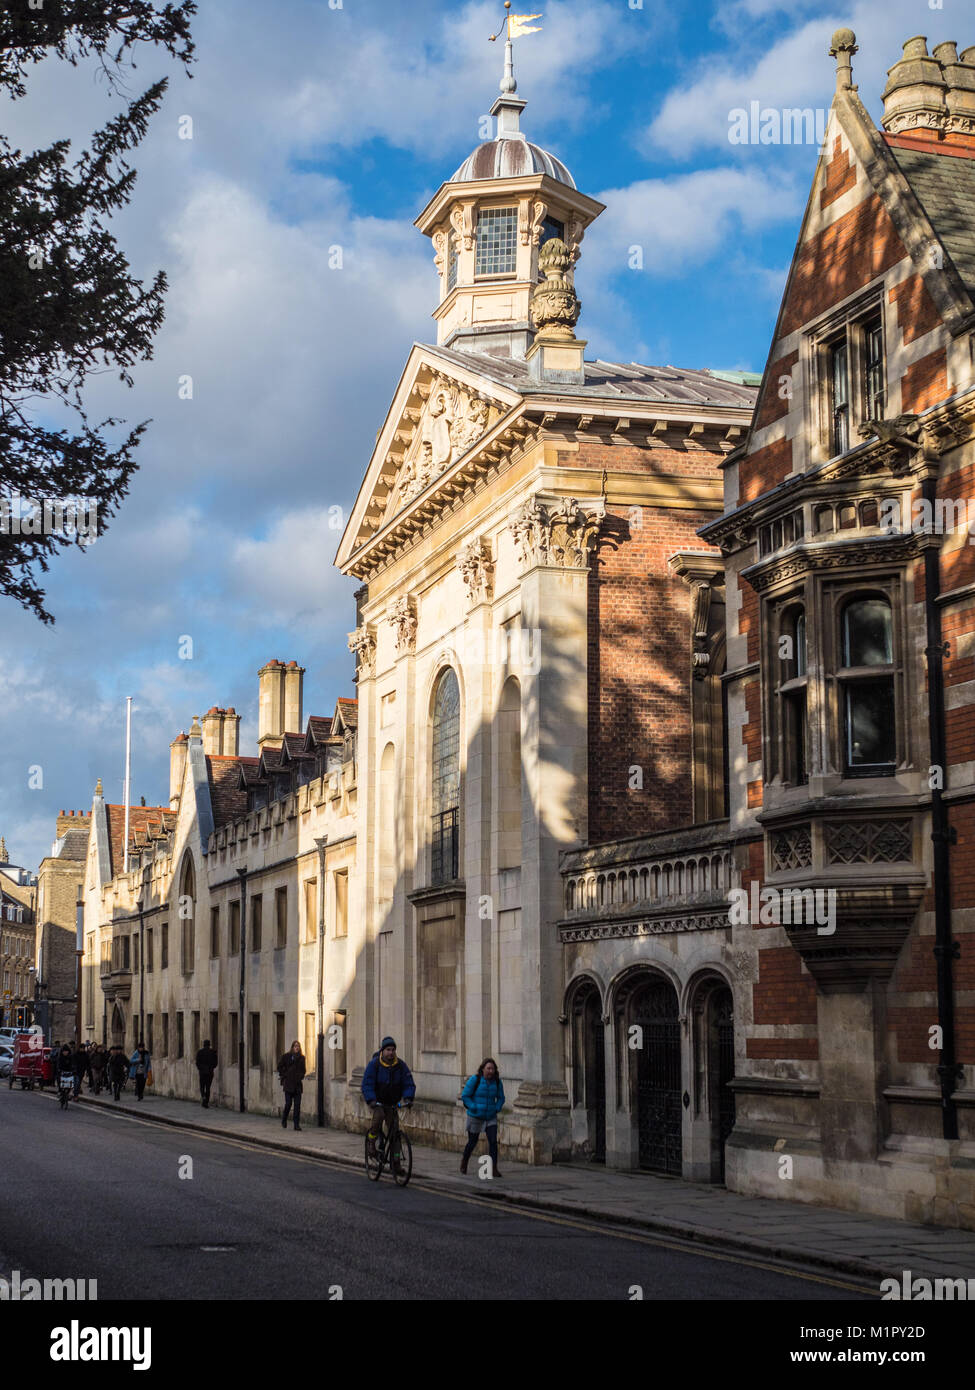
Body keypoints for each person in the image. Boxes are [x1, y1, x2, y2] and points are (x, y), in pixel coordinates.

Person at [362, 1036, 415, 1162]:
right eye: (388, 1050)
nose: (391, 1053)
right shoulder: (374, 1065)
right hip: (378, 1102)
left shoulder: (401, 1065)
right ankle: (371, 1141)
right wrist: (371, 1100)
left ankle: (396, 1163)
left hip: (392, 1103)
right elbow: (367, 1084)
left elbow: (408, 1083)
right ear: (382, 1051)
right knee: (378, 1118)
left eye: (393, 1050)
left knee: (395, 1135)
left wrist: (408, 1098)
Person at [460, 1058, 505, 1178]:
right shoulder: (475, 1080)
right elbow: (465, 1096)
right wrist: (473, 1106)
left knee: (493, 1142)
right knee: (472, 1142)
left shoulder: (497, 1082)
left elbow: (501, 1098)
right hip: (475, 1116)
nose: (490, 1071)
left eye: (492, 1069)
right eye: (488, 1068)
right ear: (483, 1069)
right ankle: (464, 1162)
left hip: (490, 1116)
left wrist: (497, 1107)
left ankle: (494, 1168)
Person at [277, 1040, 305, 1131]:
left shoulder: (302, 1058)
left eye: (298, 1046)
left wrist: (299, 1077)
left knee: (297, 1106)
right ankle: (284, 1119)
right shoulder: (286, 1056)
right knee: (288, 1104)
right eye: (295, 1046)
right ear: (292, 1047)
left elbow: (303, 1070)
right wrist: (285, 1075)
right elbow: (280, 1067)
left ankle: (296, 1125)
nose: (297, 1047)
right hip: (288, 1084)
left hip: (297, 1085)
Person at [195, 1038, 218, 1108]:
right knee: (208, 1087)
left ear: (204, 1045)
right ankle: (206, 1102)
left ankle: (203, 1097)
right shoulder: (213, 1052)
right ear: (209, 1044)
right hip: (210, 1072)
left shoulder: (200, 1052)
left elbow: (197, 1063)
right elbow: (215, 1063)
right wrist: (211, 1068)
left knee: (202, 1086)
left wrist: (200, 1069)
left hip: (202, 1072)